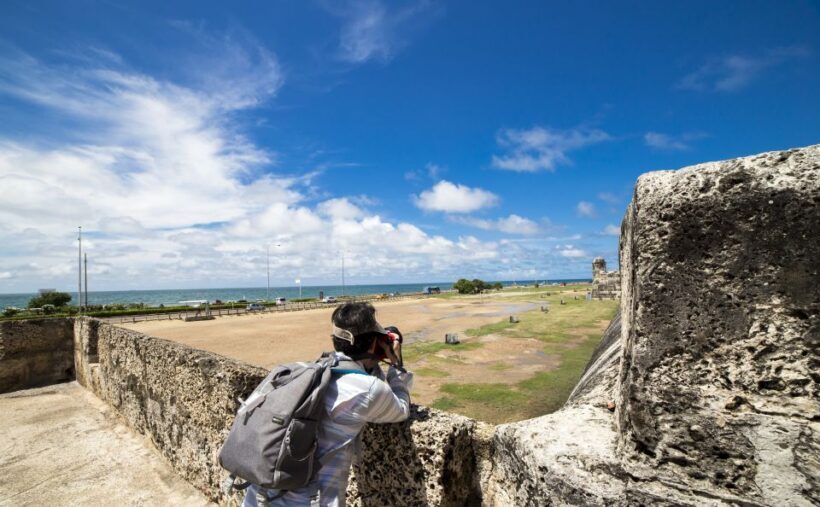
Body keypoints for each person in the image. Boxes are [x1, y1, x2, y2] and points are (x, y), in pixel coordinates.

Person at [243, 302, 413, 507]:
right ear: (371, 344)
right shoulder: (367, 389)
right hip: (310, 502)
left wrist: (373, 359)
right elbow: (401, 408)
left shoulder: (306, 370)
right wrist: (395, 363)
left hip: (258, 494)